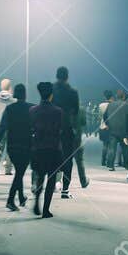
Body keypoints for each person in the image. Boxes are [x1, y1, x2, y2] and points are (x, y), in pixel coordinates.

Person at [30, 81, 65, 217]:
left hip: (38, 148)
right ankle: (46, 210)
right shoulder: (58, 111)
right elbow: (60, 130)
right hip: (53, 148)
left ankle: (36, 202)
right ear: (51, 95)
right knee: (51, 179)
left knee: (40, 177)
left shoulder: (33, 110)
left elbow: (31, 129)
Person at [52, 66, 87, 194]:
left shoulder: (51, 89)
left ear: (56, 76)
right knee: (68, 159)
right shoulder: (73, 92)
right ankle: (65, 189)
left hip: (52, 129)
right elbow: (76, 111)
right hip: (67, 129)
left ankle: (52, 184)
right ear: (67, 77)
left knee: (52, 157)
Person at [0, 82, 33, 211]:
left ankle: (20, 197)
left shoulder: (9, 109)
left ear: (15, 94)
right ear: (25, 94)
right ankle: (10, 200)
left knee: (19, 171)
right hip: (26, 144)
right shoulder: (31, 108)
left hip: (12, 145)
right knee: (20, 172)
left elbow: (3, 126)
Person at [0, 80, 15, 176]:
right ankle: (8, 168)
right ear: (10, 87)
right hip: (10, 126)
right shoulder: (13, 100)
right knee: (10, 147)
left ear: (1, 87)